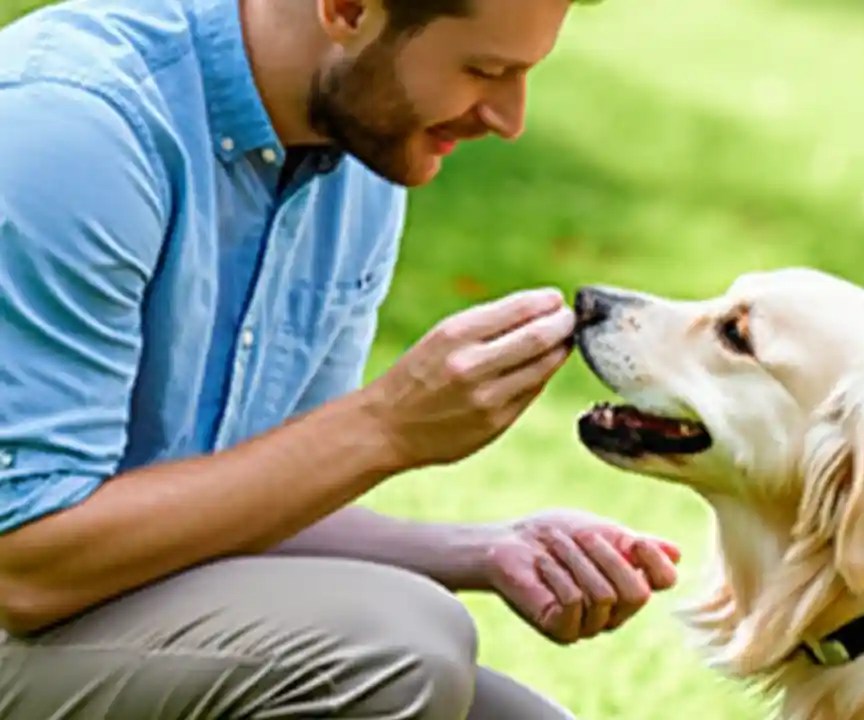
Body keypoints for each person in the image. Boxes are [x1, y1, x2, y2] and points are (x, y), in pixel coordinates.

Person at [0, 0, 682, 715]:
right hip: (28, 601)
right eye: (485, 70)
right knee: (396, 645)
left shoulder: (363, 153)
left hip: (102, 603)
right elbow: (26, 567)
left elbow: (259, 494)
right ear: (348, 10)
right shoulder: (76, 129)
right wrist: (385, 428)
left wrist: (485, 550)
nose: (510, 119)